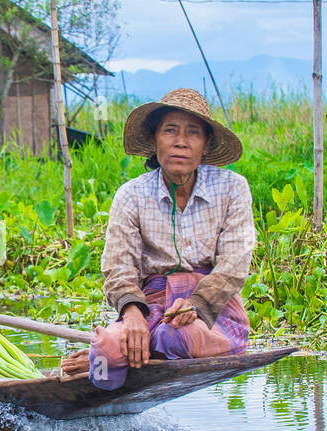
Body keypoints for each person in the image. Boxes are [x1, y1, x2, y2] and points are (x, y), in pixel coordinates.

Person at [64, 88, 254, 389]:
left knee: (172, 336)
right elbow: (118, 268)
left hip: (212, 310)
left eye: (193, 133)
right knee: (106, 350)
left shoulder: (232, 188)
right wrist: (132, 316)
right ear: (155, 141)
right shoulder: (131, 195)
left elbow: (234, 263)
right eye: (170, 131)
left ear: (205, 146)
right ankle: (110, 365)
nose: (181, 141)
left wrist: (196, 303)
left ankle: (133, 356)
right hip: (151, 306)